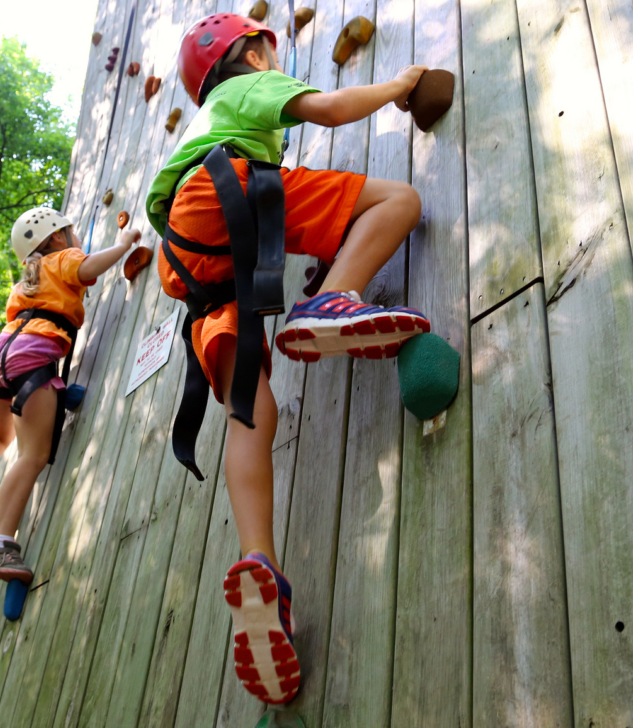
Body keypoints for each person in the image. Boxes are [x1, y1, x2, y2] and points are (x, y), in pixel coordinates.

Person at [145, 13, 431, 704]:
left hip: (191, 262)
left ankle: (260, 566)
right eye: (271, 49)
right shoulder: (242, 89)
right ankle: (335, 300)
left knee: (248, 409)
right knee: (398, 200)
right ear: (251, 51)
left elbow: (225, 225)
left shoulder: (202, 121)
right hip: (223, 193)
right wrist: (397, 85)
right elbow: (328, 109)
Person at [0, 207, 138, 583]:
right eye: (72, 233)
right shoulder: (63, 257)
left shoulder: (25, 280)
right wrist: (123, 244)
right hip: (31, 354)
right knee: (33, 455)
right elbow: (89, 267)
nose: (76, 240)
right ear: (58, 238)